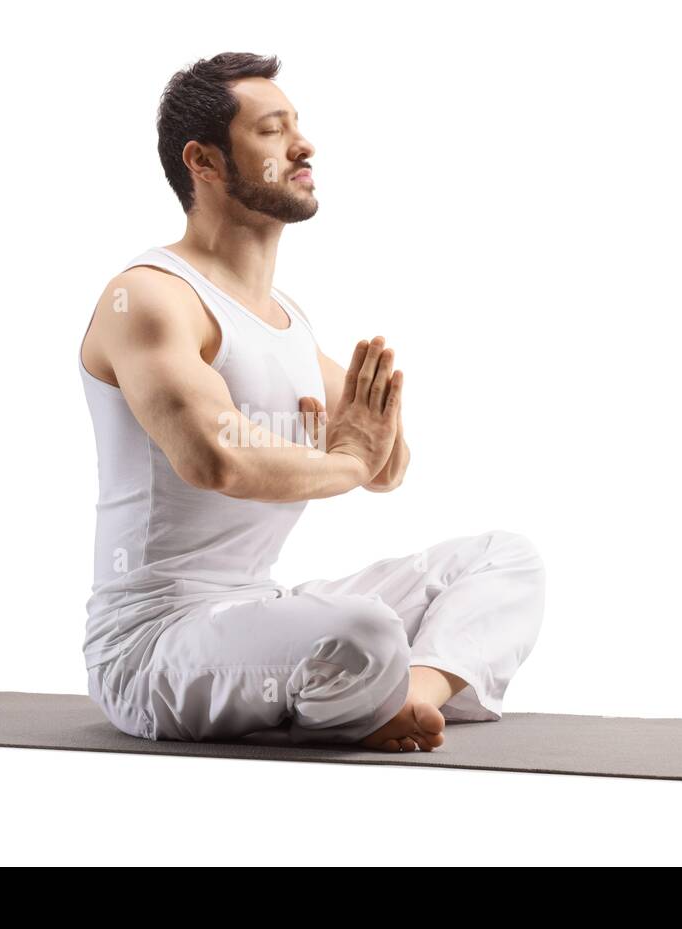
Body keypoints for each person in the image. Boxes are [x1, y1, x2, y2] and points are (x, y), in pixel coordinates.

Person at [77, 52, 545, 753]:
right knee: (363, 630)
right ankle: (367, 687)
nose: (303, 145)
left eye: (298, 125)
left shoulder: (287, 321)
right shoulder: (149, 297)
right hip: (155, 644)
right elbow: (217, 459)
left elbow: (388, 469)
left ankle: (407, 695)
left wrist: (371, 434)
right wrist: (350, 457)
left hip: (259, 611)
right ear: (203, 162)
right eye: (272, 130)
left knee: (504, 560)